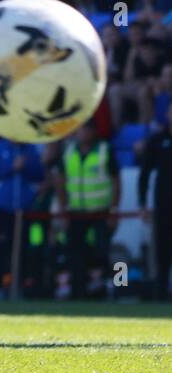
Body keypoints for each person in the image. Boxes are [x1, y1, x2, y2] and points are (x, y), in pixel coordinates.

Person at [56, 121, 118, 300]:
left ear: (93, 132)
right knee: (75, 253)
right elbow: (60, 181)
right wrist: (63, 209)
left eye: (84, 129)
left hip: (100, 211)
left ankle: (104, 291)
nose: (80, 133)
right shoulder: (68, 151)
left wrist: (114, 210)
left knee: (101, 252)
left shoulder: (105, 150)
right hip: (76, 212)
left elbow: (116, 181)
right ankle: (77, 292)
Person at [0, 137, 43, 299]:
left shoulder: (31, 150)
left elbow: (39, 175)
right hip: (4, 208)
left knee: (23, 249)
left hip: (24, 209)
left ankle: (20, 286)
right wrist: (11, 167)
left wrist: (26, 166)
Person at [137, 119, 172, 301]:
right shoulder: (157, 140)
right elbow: (145, 173)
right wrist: (142, 203)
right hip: (164, 206)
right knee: (162, 251)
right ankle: (161, 294)